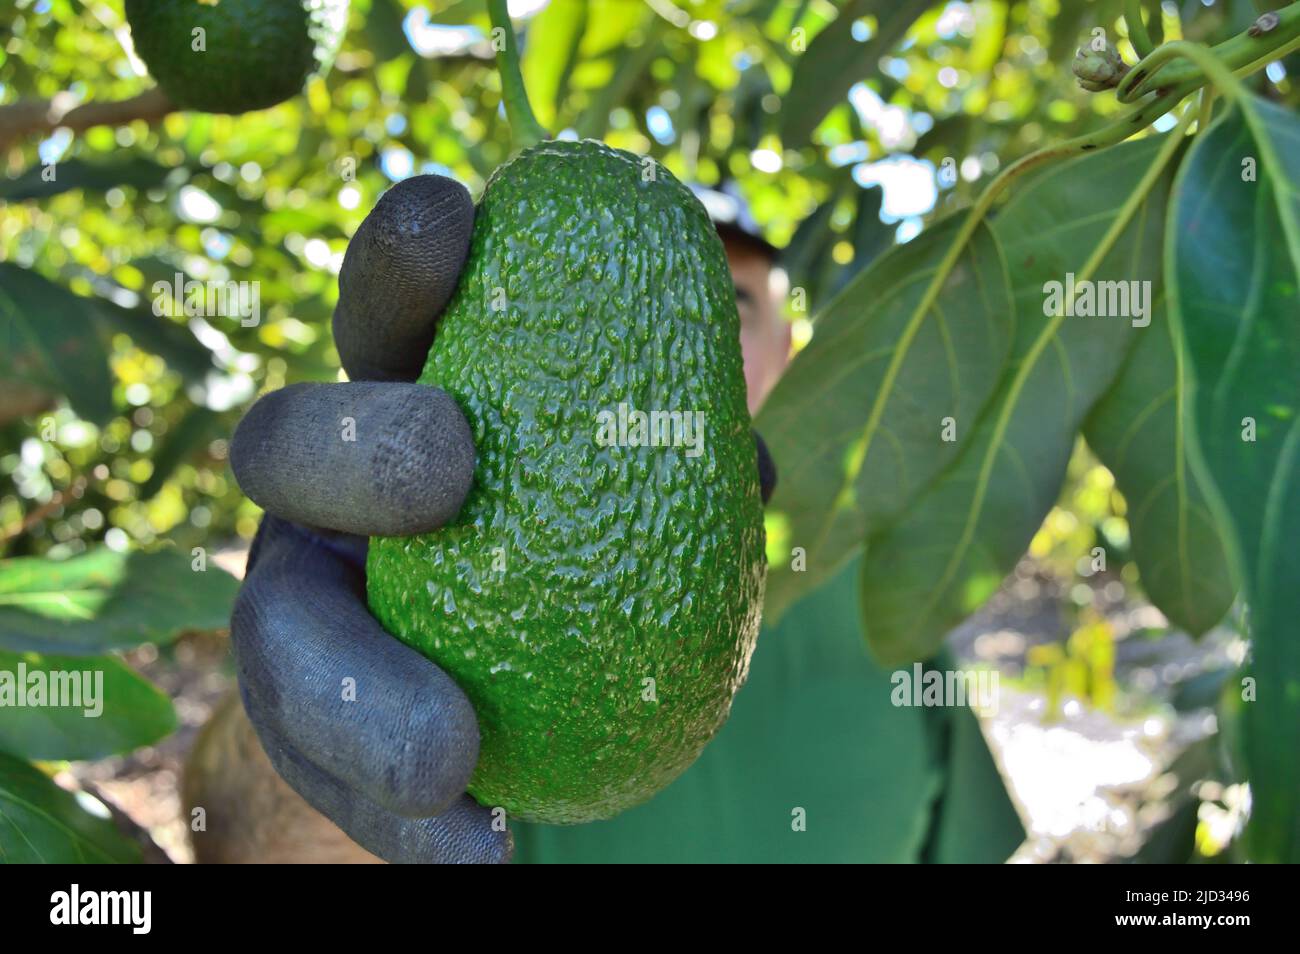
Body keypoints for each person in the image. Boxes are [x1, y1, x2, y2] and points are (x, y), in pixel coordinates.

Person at [188, 173, 1023, 864]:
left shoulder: (891, 602)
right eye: (603, 295)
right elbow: (262, 838)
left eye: (726, 303)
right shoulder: (466, 587)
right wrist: (305, 744)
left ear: (788, 348)